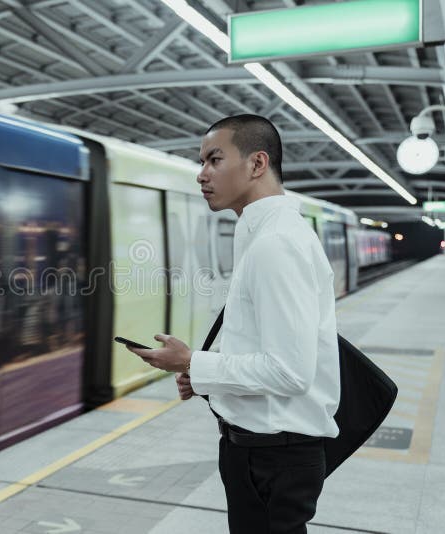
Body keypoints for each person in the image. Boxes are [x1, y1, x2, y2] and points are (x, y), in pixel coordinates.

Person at [127, 115, 340, 534]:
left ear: (257, 164)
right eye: (202, 162)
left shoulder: (276, 244)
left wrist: (194, 362)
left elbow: (290, 371)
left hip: (273, 456)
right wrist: (205, 375)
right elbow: (267, 345)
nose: (201, 174)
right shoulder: (263, 234)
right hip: (264, 451)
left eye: (214, 160)